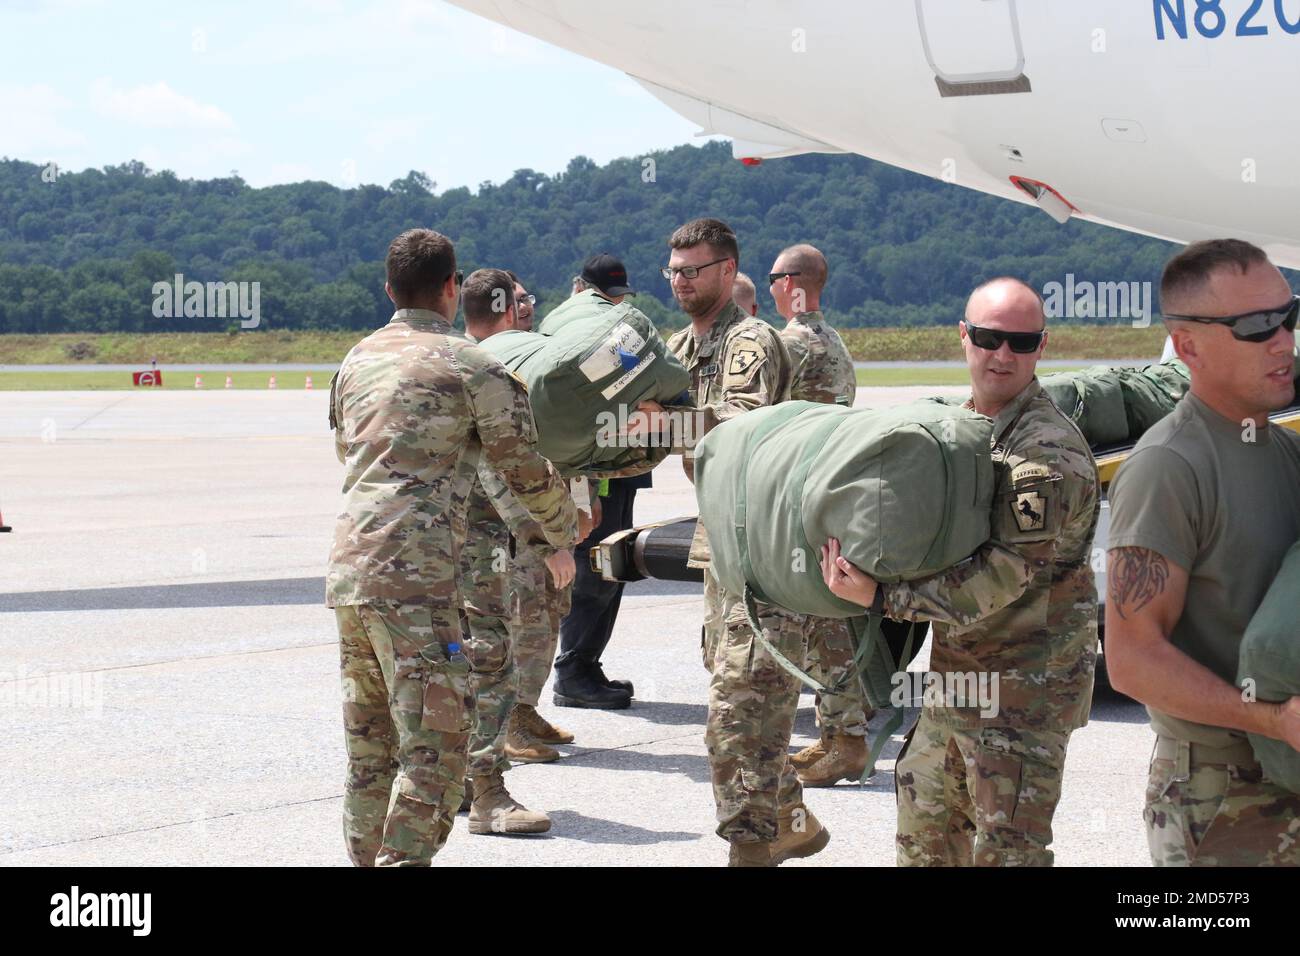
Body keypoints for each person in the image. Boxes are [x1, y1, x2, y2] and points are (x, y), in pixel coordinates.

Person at [821, 277, 1101, 867]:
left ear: (1041, 347)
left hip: (1024, 692)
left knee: (1005, 850)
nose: (1003, 355)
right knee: (926, 832)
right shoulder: (965, 428)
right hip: (959, 677)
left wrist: (883, 596)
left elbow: (1002, 576)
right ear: (964, 336)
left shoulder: (1043, 456)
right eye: (990, 337)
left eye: (1020, 343)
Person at [327, 230, 578, 866]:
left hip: (352, 575)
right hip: (418, 582)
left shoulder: (355, 360)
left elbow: (352, 456)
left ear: (388, 290)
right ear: (449, 287)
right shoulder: (472, 365)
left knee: (369, 749)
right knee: (438, 750)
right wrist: (562, 528)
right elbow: (522, 467)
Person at [1104, 239, 1300, 866]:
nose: (1283, 341)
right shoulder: (1169, 466)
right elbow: (1132, 662)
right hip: (1220, 798)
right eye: (1256, 327)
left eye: (1289, 316)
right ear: (1188, 346)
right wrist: (1274, 720)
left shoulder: (1281, 451)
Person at [650, 217, 824, 867]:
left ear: (727, 271)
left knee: (736, 714)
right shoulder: (678, 345)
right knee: (741, 692)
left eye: (692, 270)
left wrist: (662, 417)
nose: (680, 282)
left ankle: (752, 851)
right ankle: (793, 819)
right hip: (721, 546)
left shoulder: (749, 341)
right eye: (672, 271)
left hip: (770, 549)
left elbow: (742, 428)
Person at [456, 268, 579, 833]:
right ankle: (485, 790)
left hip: (427, 549)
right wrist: (551, 538)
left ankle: (453, 783)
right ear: (508, 309)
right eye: (524, 299)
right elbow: (506, 468)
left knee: (445, 661)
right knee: (489, 662)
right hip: (486, 548)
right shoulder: (489, 373)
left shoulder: (433, 362)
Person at [768, 243, 872, 788]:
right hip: (829, 492)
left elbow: (759, 419)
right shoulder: (831, 339)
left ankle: (843, 738)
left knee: (815, 622)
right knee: (826, 615)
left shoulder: (789, 344)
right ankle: (840, 735)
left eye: (773, 278)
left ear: (793, 284)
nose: (769, 288)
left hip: (796, 496)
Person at [551, 253, 646, 709]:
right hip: (591, 472)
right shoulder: (571, 335)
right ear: (581, 291)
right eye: (607, 296)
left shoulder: (618, 334)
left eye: (618, 298)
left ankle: (586, 663)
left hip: (620, 470)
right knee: (595, 567)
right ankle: (572, 670)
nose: (614, 305)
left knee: (613, 568)